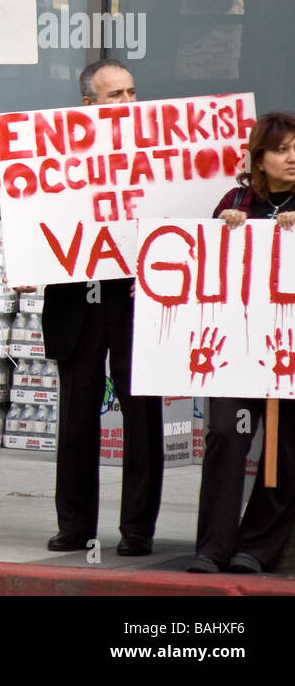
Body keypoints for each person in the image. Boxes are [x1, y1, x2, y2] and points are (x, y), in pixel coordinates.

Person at [43, 59, 163, 557]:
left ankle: (137, 530)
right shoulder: (53, 151)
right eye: (117, 95)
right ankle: (75, 525)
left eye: (133, 92)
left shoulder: (159, 151)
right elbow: (40, 217)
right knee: (76, 415)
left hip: (137, 297)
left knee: (141, 416)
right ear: (89, 105)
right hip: (79, 296)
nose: (129, 103)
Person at [189, 111, 295, 573]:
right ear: (259, 158)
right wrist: (224, 227)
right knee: (227, 433)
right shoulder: (234, 200)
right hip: (238, 349)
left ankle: (257, 547)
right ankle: (213, 546)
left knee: (286, 444)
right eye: (281, 149)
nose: (292, 158)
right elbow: (208, 264)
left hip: (288, 352)